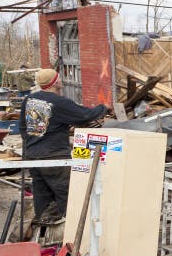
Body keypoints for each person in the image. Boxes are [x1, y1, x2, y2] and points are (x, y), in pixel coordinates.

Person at [19, 68, 107, 219]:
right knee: (66, 194)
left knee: (42, 195)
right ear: (55, 83)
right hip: (54, 157)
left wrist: (31, 142)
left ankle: (44, 225)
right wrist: (103, 108)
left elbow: (22, 127)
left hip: (33, 156)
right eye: (58, 78)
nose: (61, 80)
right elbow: (84, 115)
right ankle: (68, 226)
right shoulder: (59, 102)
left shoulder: (29, 100)